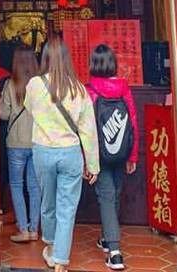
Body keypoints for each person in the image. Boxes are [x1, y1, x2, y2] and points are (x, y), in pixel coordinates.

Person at [24, 35, 99, 272]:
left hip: (43, 151)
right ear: (67, 60)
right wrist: (93, 165)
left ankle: (52, 245)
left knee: (48, 202)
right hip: (70, 153)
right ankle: (60, 260)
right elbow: (88, 130)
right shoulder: (79, 89)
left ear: (44, 58)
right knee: (67, 207)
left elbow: (28, 107)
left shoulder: (35, 85)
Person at [86, 44, 140, 271]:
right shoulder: (124, 88)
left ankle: (115, 252)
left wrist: (87, 161)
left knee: (106, 197)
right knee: (114, 193)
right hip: (120, 152)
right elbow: (133, 123)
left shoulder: (89, 91)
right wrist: (133, 156)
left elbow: (86, 129)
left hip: (99, 154)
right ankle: (108, 238)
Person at [0, 46, 41, 243]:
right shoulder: (41, 84)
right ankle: (34, 229)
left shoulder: (10, 84)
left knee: (16, 185)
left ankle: (22, 229)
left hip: (15, 142)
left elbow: (3, 114)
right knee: (34, 186)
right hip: (36, 141)